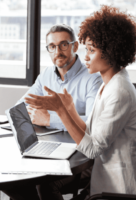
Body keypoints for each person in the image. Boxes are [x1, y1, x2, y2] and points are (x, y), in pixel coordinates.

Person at [26, 5, 136, 198]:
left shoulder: (120, 91)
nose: (85, 57)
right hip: (103, 180)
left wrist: (61, 111)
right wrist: (70, 110)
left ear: (111, 52)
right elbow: (92, 132)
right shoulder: (109, 84)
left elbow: (92, 149)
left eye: (91, 50)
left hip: (116, 189)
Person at [16, 24, 102, 131]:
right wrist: (31, 113)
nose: (57, 52)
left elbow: (92, 124)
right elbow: (19, 107)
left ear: (75, 46)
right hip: (47, 139)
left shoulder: (93, 79)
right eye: (52, 46)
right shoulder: (46, 74)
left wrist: (49, 120)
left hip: (78, 144)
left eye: (64, 45)